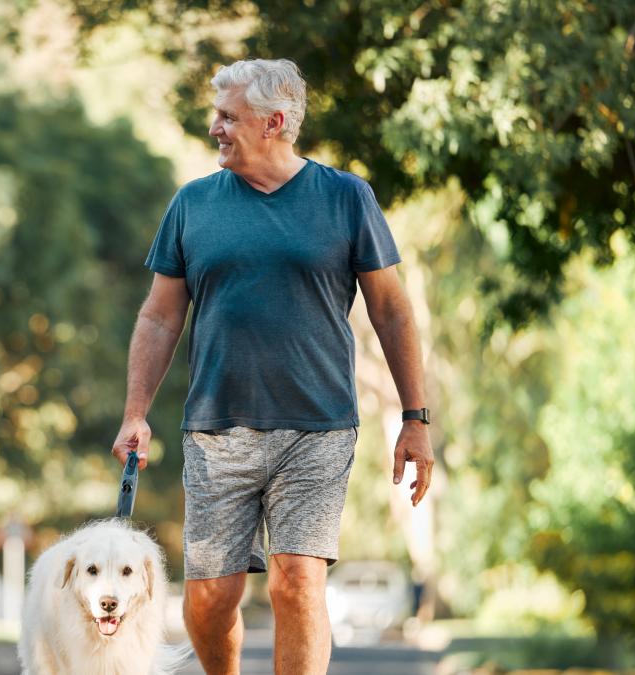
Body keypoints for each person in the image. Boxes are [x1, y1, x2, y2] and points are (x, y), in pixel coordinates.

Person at [111, 59, 434, 674]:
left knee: (297, 584)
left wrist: (415, 418)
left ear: (275, 123)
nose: (215, 129)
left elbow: (391, 311)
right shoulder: (194, 204)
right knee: (209, 601)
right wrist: (135, 412)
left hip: (317, 425)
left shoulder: (344, 197)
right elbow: (158, 318)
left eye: (228, 117)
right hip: (216, 428)